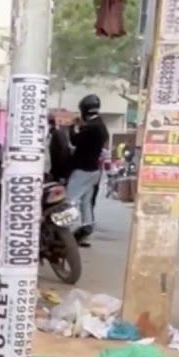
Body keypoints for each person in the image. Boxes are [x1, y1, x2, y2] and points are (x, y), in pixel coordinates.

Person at [66, 93, 110, 244]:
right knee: (86, 201)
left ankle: (63, 233)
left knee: (69, 201)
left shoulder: (91, 127)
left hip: (82, 170)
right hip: (94, 171)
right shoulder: (101, 125)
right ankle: (86, 227)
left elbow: (74, 141)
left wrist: (72, 127)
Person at [47, 116, 73, 183]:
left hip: (57, 172)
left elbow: (64, 152)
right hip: (53, 172)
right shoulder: (52, 134)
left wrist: (61, 174)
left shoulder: (58, 133)